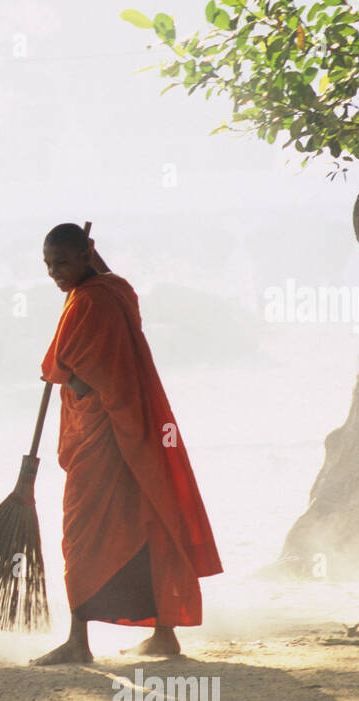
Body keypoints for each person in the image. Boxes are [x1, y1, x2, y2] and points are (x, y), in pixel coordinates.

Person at [32, 223, 221, 665]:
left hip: (105, 437)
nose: (55, 273)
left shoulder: (91, 301)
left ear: (85, 255)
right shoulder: (114, 290)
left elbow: (74, 372)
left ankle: (78, 643)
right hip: (128, 433)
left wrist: (57, 367)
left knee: (80, 535)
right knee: (146, 521)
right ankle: (164, 636)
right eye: (48, 265)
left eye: (63, 262)